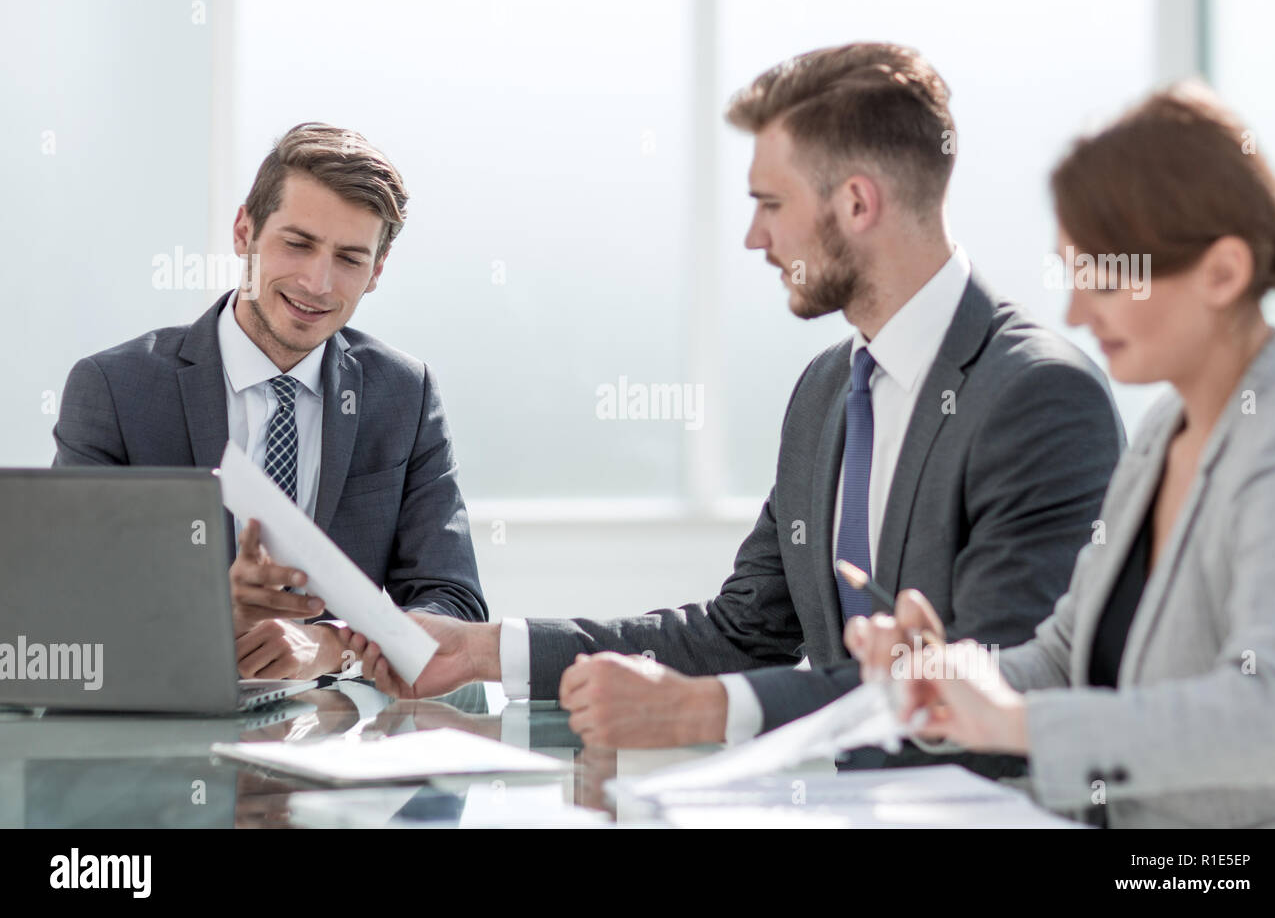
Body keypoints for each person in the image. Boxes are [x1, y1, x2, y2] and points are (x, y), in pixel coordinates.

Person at [349, 44, 1122, 770]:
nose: (755, 237)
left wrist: (704, 713)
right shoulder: (827, 392)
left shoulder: (1039, 396)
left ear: (856, 202)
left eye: (769, 203)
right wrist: (483, 650)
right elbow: (743, 631)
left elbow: (999, 691)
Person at [847, 82, 1275, 827]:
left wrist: (1016, 726)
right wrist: (949, 678)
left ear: (1223, 272)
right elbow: (1066, 657)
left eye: (1106, 278)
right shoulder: (1164, 430)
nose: (1075, 314)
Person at [53, 123, 486, 680]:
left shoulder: (403, 395)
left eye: (350, 258)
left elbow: (454, 604)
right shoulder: (116, 389)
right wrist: (210, 611)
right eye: (298, 243)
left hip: (340, 736)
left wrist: (333, 647)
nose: (317, 282)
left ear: (377, 272)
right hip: (163, 719)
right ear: (244, 231)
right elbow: (66, 607)